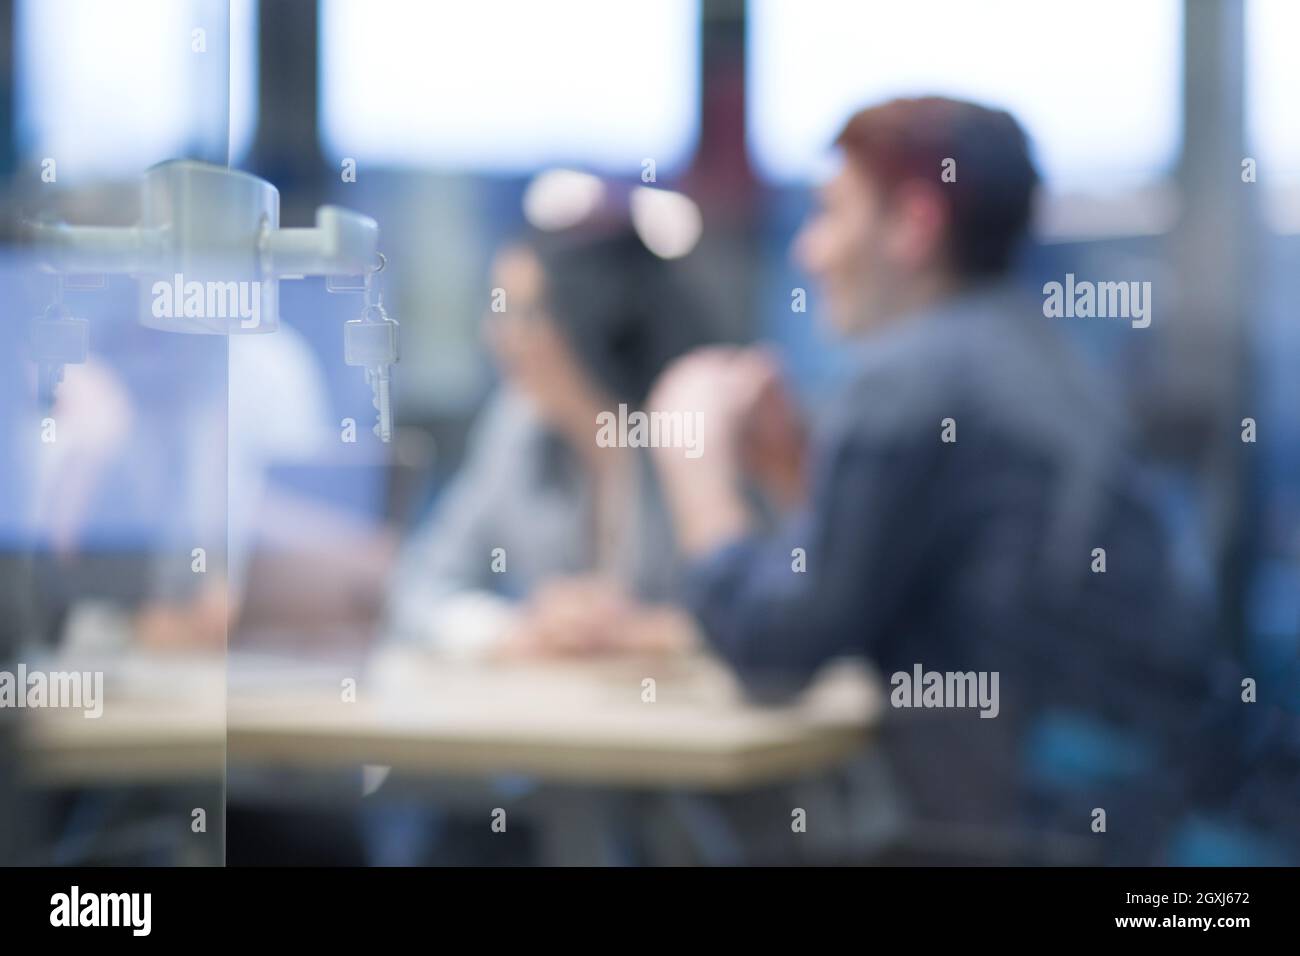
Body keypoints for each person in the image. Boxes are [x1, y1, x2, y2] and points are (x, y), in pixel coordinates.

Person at [646, 97, 1220, 862]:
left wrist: (695, 464)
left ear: (914, 222)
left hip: (1022, 838)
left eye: (830, 214)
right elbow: (880, 605)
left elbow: (774, 656)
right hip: (1148, 834)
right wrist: (800, 485)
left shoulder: (903, 381)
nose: (808, 252)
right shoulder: (1040, 361)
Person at [387, 220, 718, 660]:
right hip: (565, 713)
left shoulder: (702, 425)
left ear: (591, 318)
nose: (497, 336)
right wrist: (512, 629)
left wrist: (660, 630)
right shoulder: (515, 428)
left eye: (523, 315)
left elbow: (781, 609)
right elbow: (419, 583)